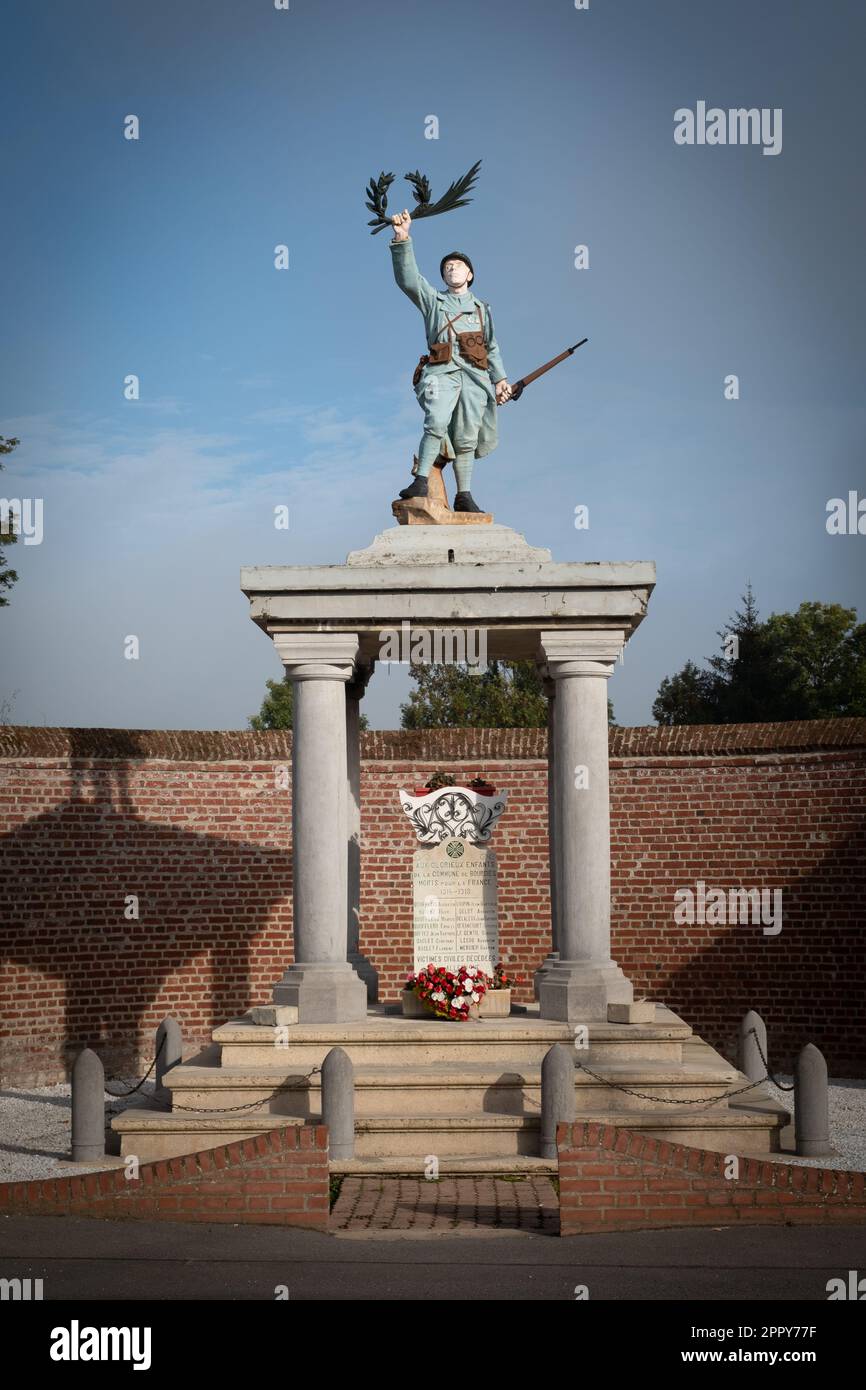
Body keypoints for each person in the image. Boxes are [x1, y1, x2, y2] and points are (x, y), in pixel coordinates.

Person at [389, 208, 511, 513]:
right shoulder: (435, 301)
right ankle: (421, 480)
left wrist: (501, 380)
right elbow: (409, 281)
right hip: (441, 372)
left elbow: (491, 346)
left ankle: (464, 495)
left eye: (457, 266)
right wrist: (403, 239)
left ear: (470, 274)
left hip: (475, 376)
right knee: (437, 421)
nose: (451, 270)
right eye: (447, 267)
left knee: (466, 436)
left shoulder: (483, 309)